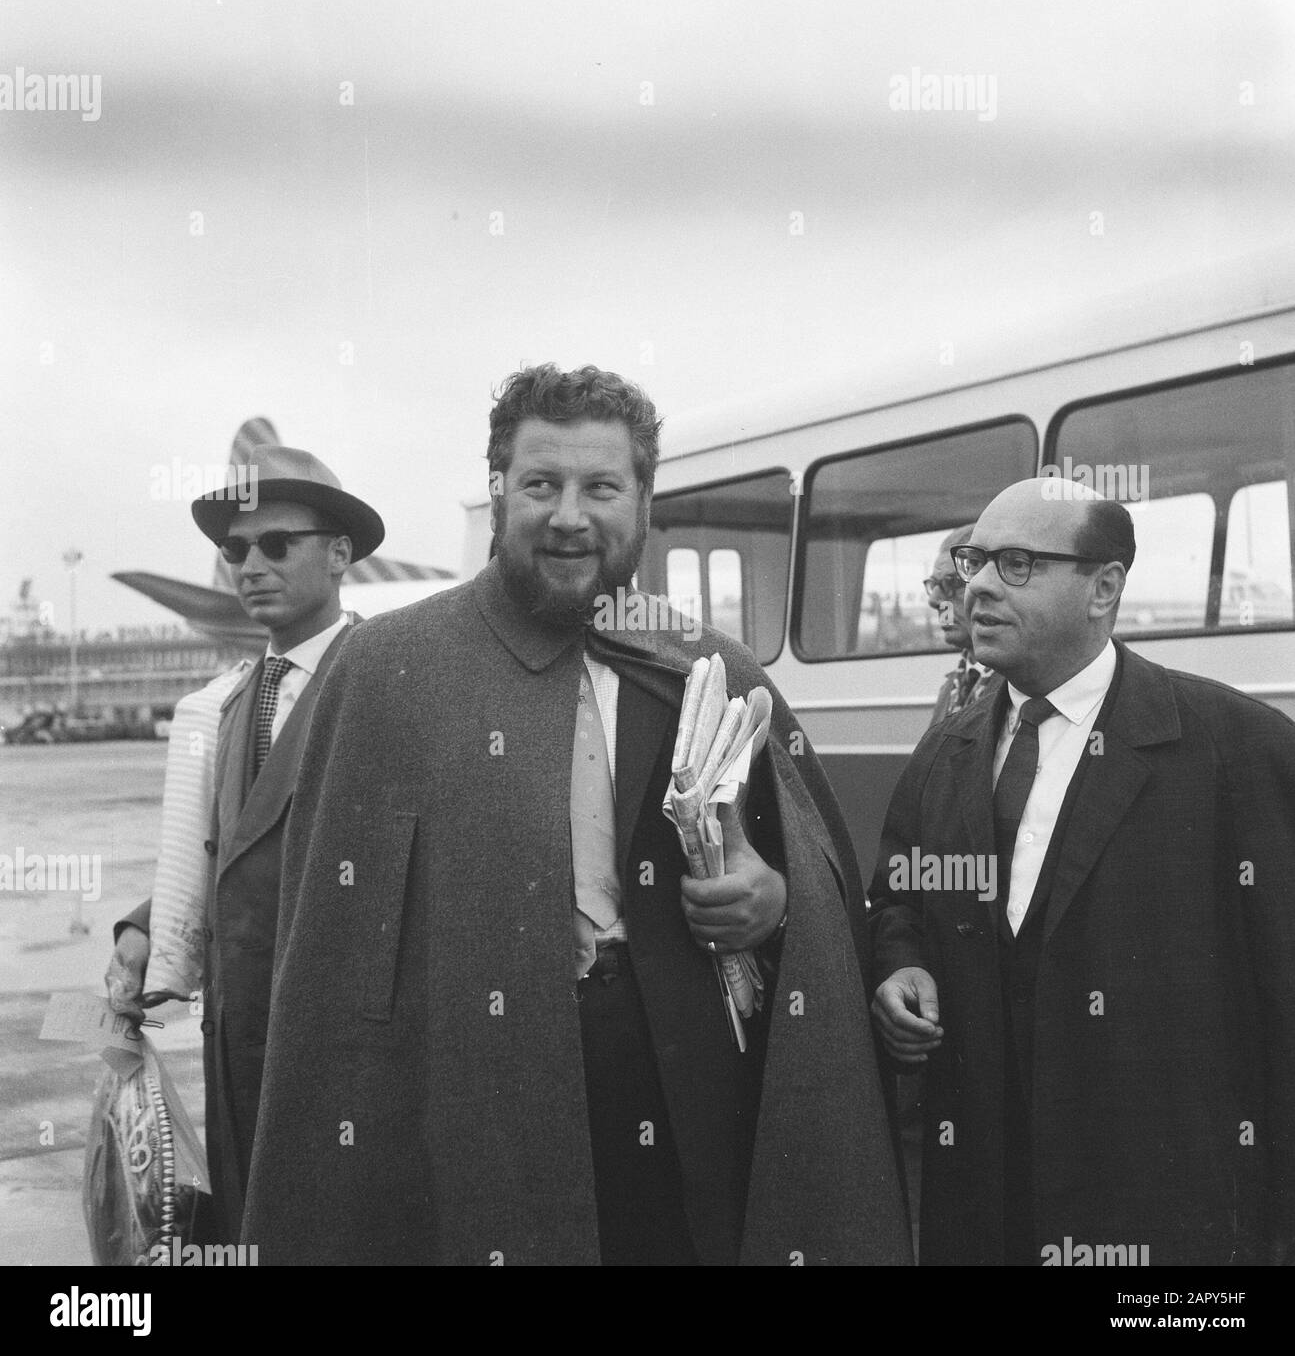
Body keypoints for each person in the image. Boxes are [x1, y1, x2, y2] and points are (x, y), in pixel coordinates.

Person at [242, 363, 910, 1266]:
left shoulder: (710, 669)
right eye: (539, 484)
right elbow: (328, 956)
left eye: (600, 486)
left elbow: (821, 891)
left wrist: (774, 900)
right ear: (498, 492)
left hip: (676, 1086)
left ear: (643, 498)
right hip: (465, 1091)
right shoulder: (388, 670)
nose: (568, 515)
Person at [868, 476, 1295, 1266]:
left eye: (1017, 563)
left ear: (1104, 589)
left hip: (1163, 1215)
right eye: (973, 562)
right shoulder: (946, 750)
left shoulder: (1237, 747)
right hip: (986, 1206)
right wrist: (902, 967)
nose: (979, 586)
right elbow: (901, 897)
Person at [104, 445, 384, 1243]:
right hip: (236, 1040)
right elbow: (243, 846)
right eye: (233, 550)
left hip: (348, 1040)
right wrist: (148, 923)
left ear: (338, 555)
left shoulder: (387, 682)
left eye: (274, 544)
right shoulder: (226, 705)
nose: (248, 565)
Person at [925, 524, 992, 727]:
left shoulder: (1019, 687)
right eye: (933, 584)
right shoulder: (950, 687)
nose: (935, 601)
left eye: (952, 582)